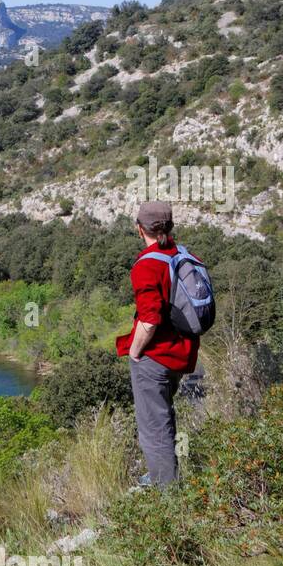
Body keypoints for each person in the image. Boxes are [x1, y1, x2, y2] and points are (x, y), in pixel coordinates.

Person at [115, 200, 199, 486]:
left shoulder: (146, 265)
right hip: (182, 354)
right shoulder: (185, 256)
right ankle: (163, 477)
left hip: (156, 356)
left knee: (154, 427)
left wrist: (135, 351)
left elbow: (149, 320)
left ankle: (167, 496)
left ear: (140, 230)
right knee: (164, 416)